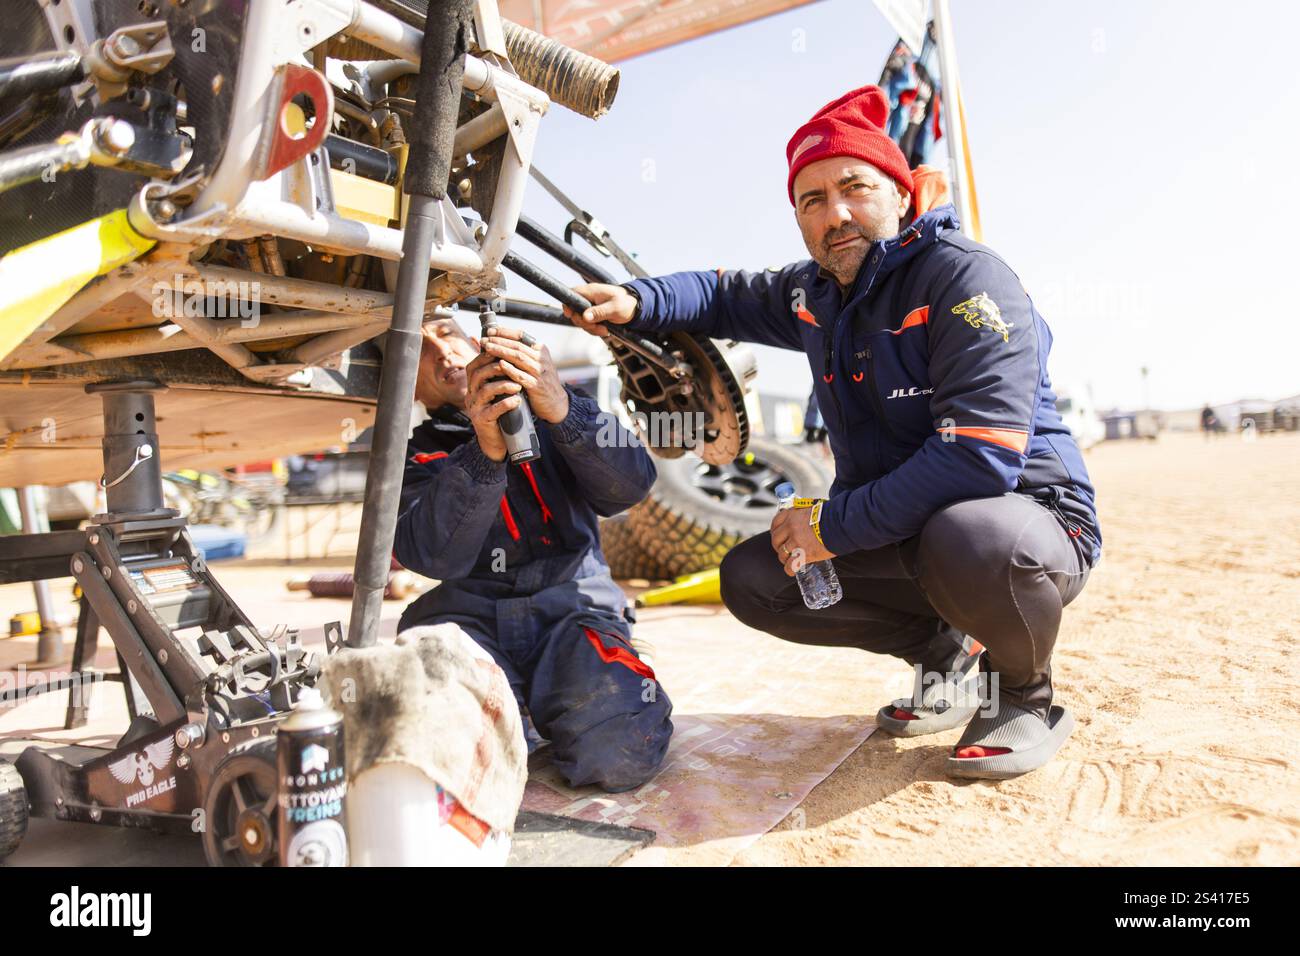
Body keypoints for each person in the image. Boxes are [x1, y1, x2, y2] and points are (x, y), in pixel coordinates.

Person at [566, 85, 1101, 779]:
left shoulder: (966, 281)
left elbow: (977, 461)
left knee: (967, 537)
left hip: (1026, 528)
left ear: (901, 194)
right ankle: (944, 651)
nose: (835, 213)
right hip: (907, 531)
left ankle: (1024, 693)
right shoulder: (816, 293)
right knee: (756, 578)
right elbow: (725, 293)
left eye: (854, 187)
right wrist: (640, 301)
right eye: (811, 200)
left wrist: (829, 524)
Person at [393, 315, 672, 792]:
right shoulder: (414, 456)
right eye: (419, 348)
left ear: (476, 340)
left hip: (573, 606)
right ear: (410, 388)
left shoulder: (555, 411)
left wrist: (563, 409)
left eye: (445, 331)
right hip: (470, 618)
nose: (441, 351)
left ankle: (576, 681)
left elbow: (631, 485)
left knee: (617, 752)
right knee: (442, 752)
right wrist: (484, 451)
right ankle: (520, 703)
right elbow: (433, 556)